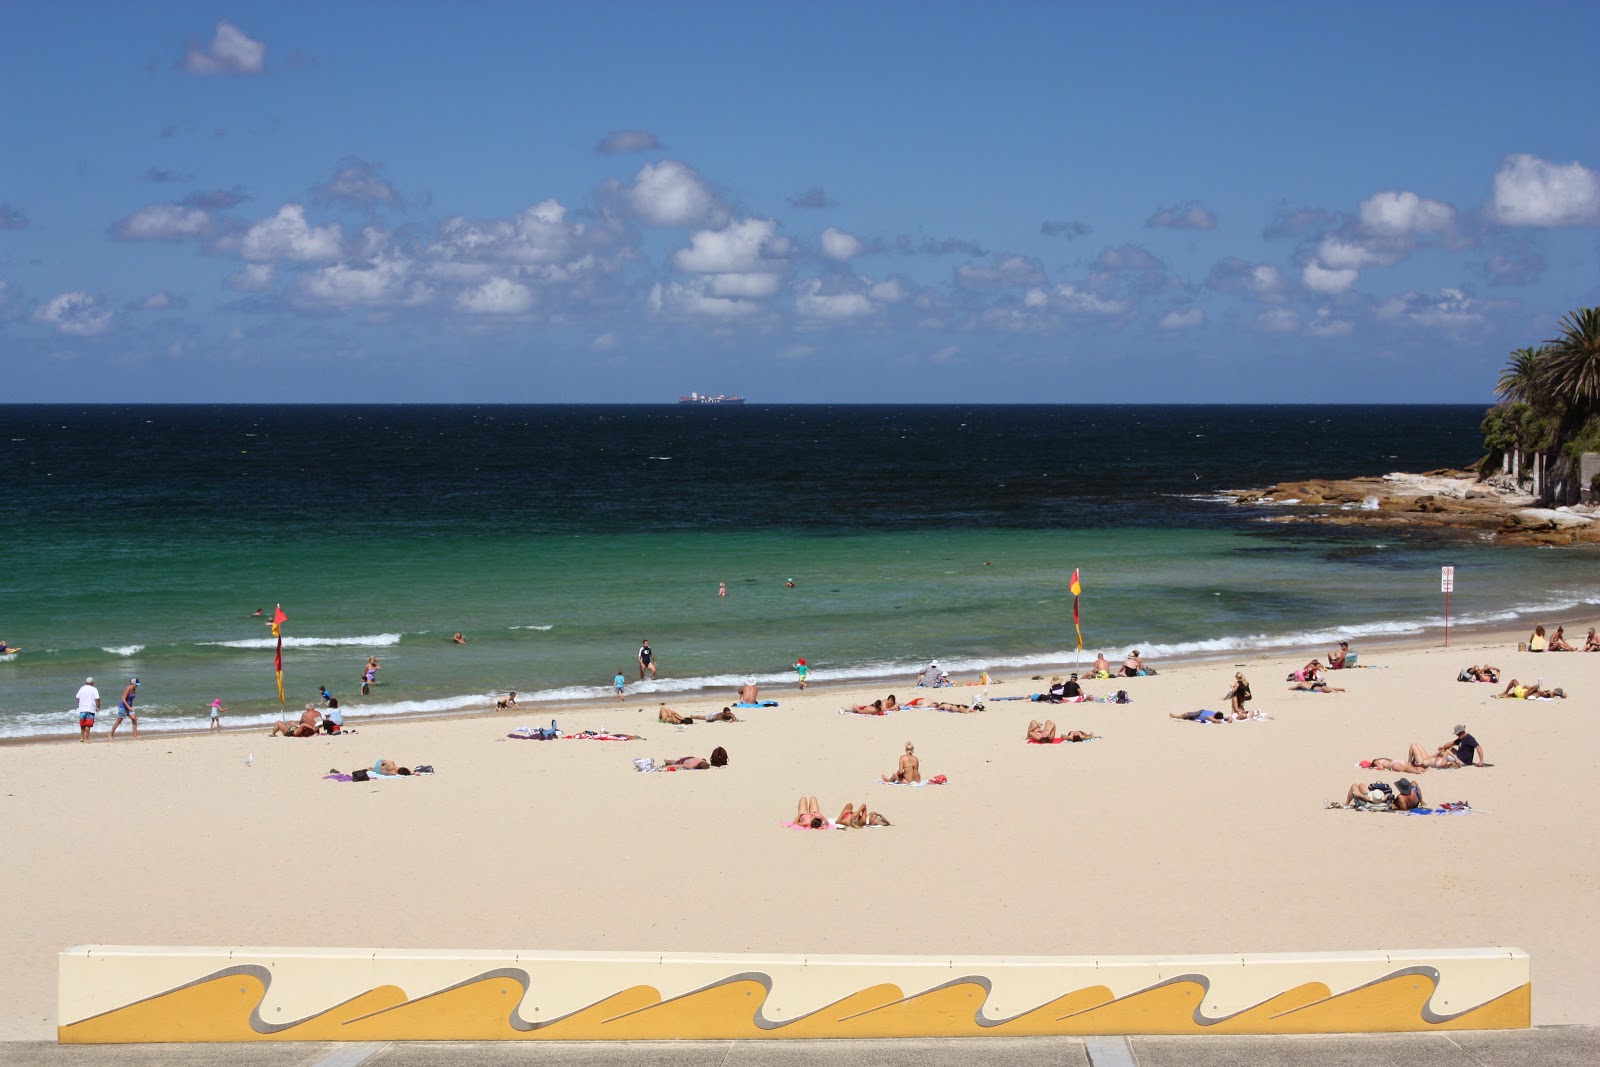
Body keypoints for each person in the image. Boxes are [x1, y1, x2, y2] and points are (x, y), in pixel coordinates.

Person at [1341, 778, 1423, 811]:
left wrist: (1363, 796)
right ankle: (1347, 803)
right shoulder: (1414, 789)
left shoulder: (1401, 798)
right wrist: (1422, 802)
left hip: (1370, 800)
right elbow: (1414, 782)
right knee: (1361, 785)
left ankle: (1347, 803)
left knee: (1354, 786)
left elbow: (1404, 810)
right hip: (1377, 798)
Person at [75, 676, 100, 742]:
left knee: (82, 724)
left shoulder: (82, 688)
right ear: (92, 683)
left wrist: (80, 704)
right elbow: (97, 699)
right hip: (90, 709)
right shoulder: (94, 689)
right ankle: (87, 738)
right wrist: (97, 707)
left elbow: (77, 697)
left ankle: (81, 737)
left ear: (86, 682)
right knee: (88, 725)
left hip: (82, 709)